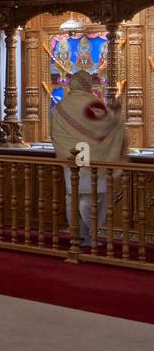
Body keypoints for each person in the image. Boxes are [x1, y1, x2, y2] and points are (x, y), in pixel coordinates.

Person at [52, 69, 127, 247]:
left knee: (73, 197)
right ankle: (89, 236)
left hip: (71, 158)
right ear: (88, 84)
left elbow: (55, 133)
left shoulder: (60, 106)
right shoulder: (94, 104)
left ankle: (77, 236)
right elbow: (109, 128)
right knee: (92, 197)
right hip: (93, 158)